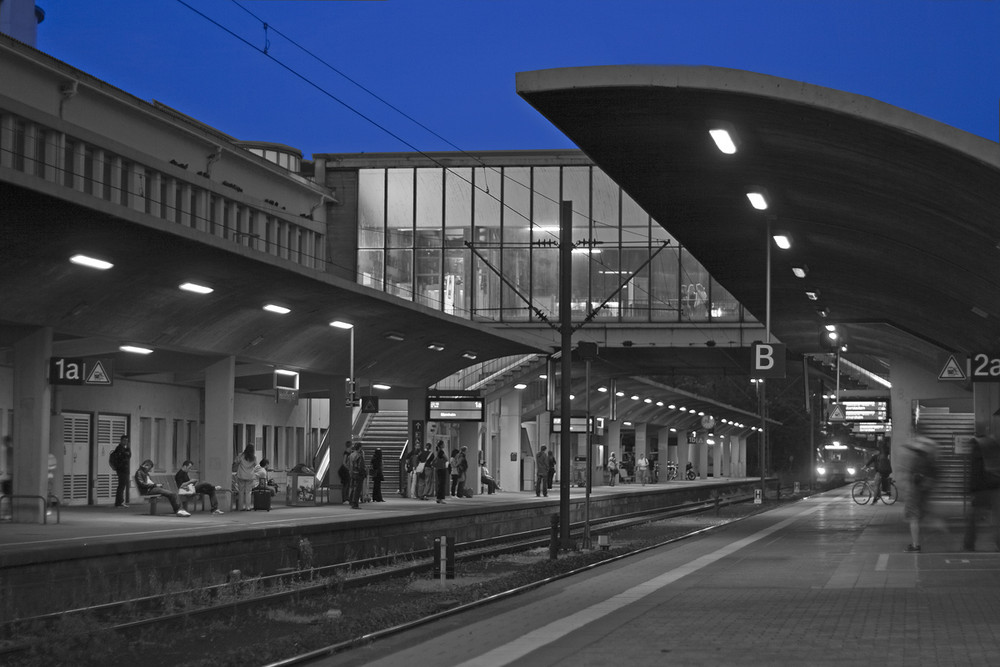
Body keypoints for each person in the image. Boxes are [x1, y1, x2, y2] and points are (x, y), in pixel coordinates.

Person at [903, 434, 940, 552]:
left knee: (914, 518)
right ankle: (918, 541)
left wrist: (913, 482)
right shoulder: (929, 459)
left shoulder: (919, 459)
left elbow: (915, 476)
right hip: (922, 491)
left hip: (916, 491)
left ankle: (916, 544)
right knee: (919, 516)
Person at [963, 435, 1000, 552]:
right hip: (995, 487)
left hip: (981, 490)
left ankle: (968, 545)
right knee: (997, 519)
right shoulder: (994, 448)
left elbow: (975, 473)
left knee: (973, 520)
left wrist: (971, 489)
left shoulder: (977, 450)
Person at [109, 435, 132, 507]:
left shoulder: (124, 449)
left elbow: (129, 455)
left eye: (127, 441)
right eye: (124, 440)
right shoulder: (119, 449)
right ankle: (119, 502)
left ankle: (119, 502)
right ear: (121, 440)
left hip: (124, 469)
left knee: (122, 486)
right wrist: (128, 449)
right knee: (121, 486)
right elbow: (127, 456)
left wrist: (128, 448)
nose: (126, 442)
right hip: (122, 470)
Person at [233, 444, 257, 511]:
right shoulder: (253, 457)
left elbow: (236, 462)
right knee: (248, 492)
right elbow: (255, 465)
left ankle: (240, 507)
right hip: (250, 476)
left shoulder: (241, 455)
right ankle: (248, 507)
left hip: (241, 475)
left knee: (241, 491)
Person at [347, 441, 367, 509]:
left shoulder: (351, 455)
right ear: (360, 448)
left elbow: (348, 464)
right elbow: (360, 466)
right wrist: (364, 473)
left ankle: (351, 501)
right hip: (358, 474)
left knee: (353, 488)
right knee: (358, 489)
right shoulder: (359, 456)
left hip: (352, 473)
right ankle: (355, 503)